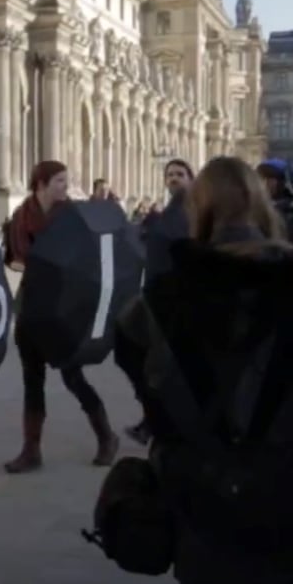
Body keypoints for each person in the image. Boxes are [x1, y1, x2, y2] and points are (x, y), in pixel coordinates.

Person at [114, 156, 293, 584]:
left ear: (198, 209)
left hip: (198, 484)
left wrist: (163, 409)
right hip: (291, 484)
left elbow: (127, 348)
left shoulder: (167, 291)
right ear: (262, 206)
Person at [2, 160, 120, 473]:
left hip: (63, 308)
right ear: (40, 184)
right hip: (30, 305)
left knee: (73, 376)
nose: (65, 188)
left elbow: (88, 259)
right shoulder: (20, 217)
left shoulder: (72, 217)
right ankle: (31, 449)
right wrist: (25, 265)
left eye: (66, 182)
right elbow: (13, 262)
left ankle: (106, 436)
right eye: (59, 181)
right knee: (32, 380)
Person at [126, 158, 195, 445]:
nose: (174, 178)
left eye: (180, 174)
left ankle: (159, 425)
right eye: (170, 175)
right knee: (153, 366)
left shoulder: (196, 212)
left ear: (191, 178)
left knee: (166, 368)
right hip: (157, 297)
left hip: (182, 300)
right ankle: (154, 423)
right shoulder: (165, 213)